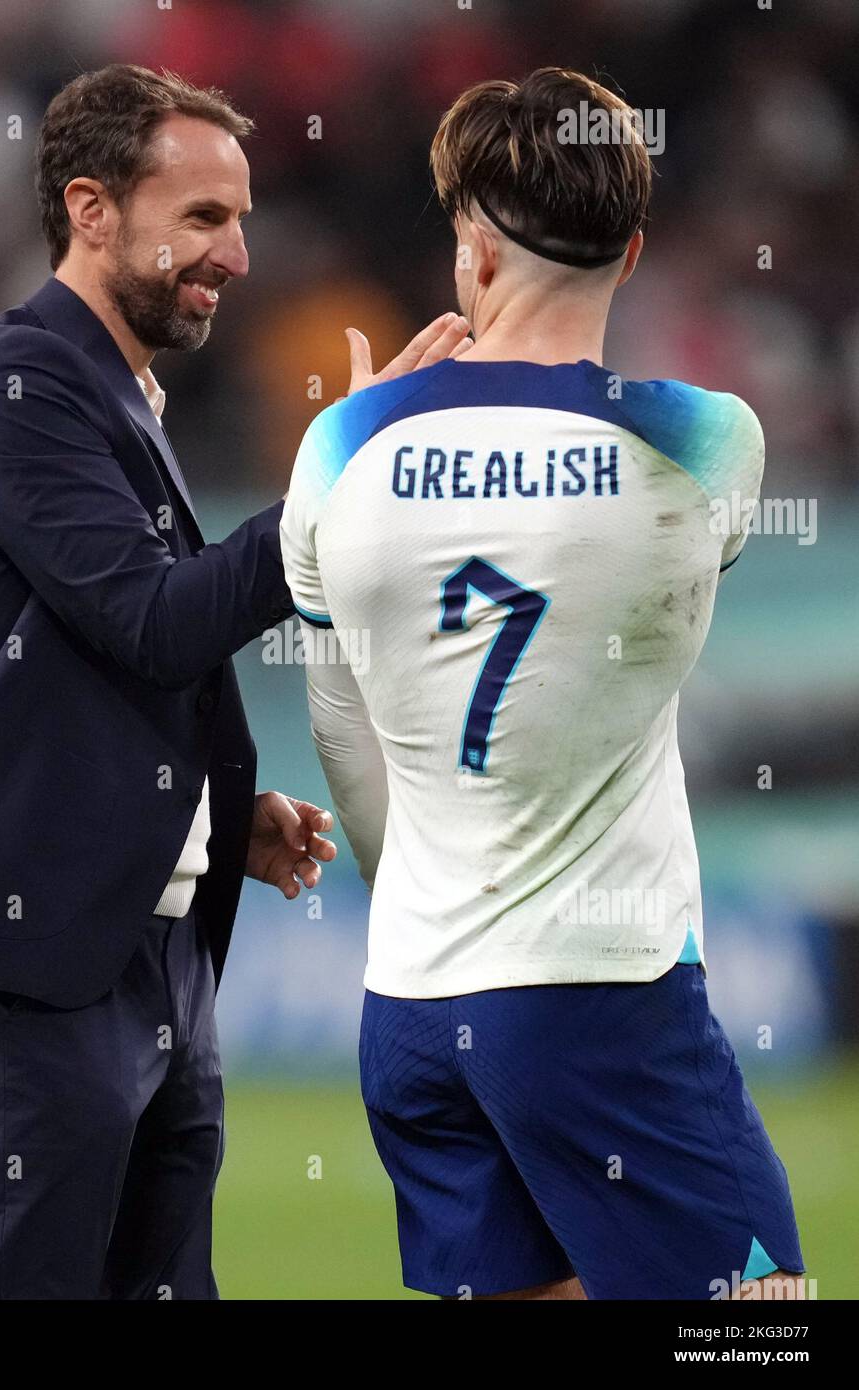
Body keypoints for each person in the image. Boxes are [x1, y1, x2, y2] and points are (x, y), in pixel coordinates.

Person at [0, 63, 468, 1300]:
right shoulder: (12, 389)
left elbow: (89, 670)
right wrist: (341, 470)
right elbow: (152, 622)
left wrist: (216, 825)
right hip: (33, 978)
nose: (236, 253)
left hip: (150, 958)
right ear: (90, 208)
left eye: (239, 219)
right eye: (201, 219)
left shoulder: (116, 394)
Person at [281, 67, 805, 1301]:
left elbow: (338, 721)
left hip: (409, 1006)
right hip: (599, 994)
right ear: (629, 254)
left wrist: (408, 892)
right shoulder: (706, 438)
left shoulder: (339, 448)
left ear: (469, 250)